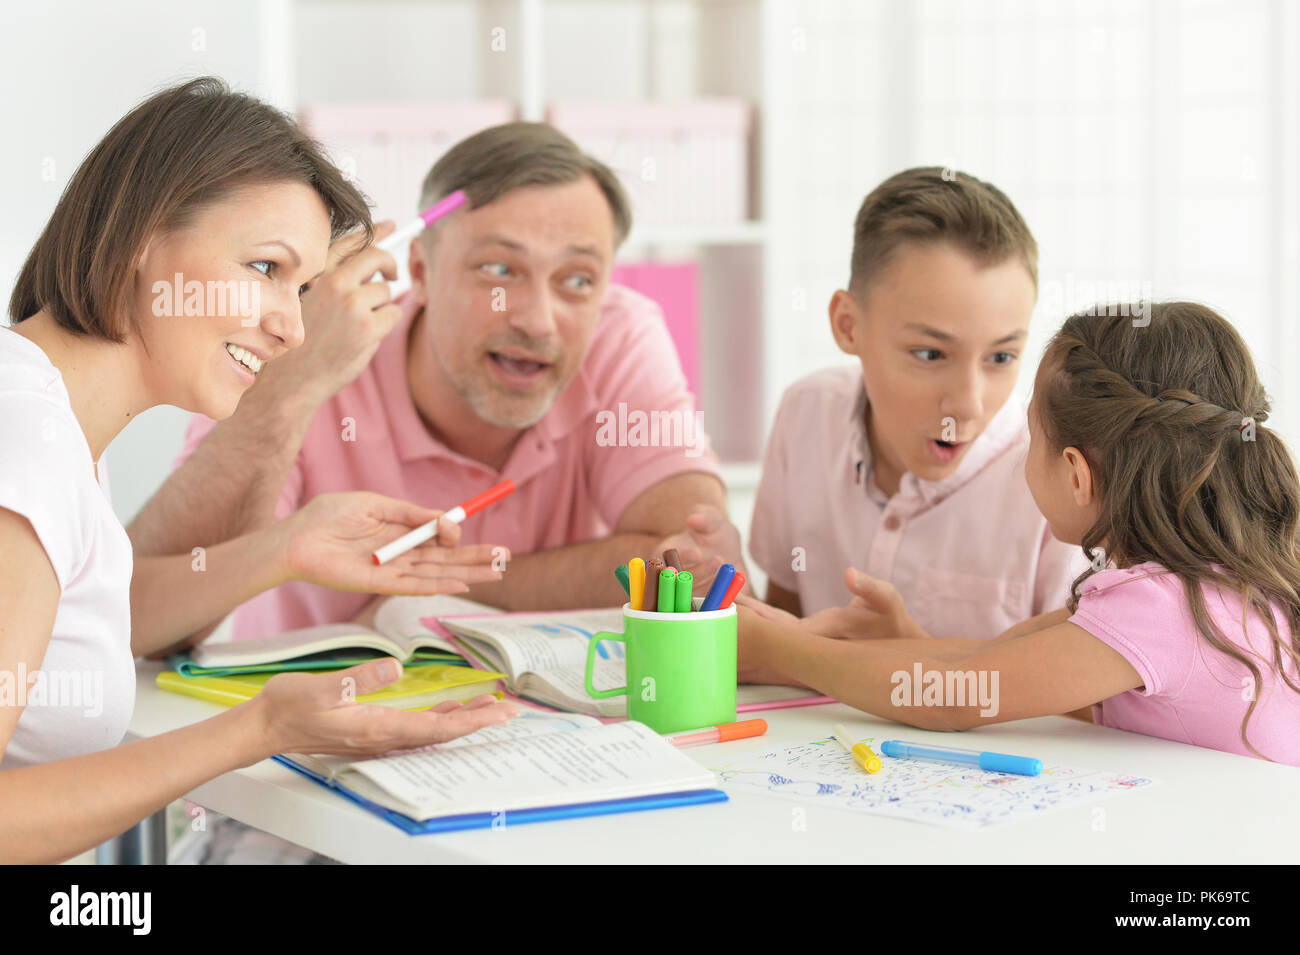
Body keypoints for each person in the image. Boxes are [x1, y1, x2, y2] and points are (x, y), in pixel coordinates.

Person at [0, 78, 517, 864]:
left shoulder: (52, 421)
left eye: (303, 288)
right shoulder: (25, 432)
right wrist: (259, 727)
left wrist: (289, 547)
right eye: (266, 268)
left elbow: (89, 618)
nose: (293, 325)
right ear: (143, 239)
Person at [131, 121, 747, 647]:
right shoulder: (312, 341)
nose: (537, 318)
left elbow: (681, 559)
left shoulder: (621, 334)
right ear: (420, 269)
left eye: (578, 280)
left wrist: (427, 591)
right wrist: (291, 385)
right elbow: (141, 616)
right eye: (498, 270)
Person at [738, 303, 1300, 765]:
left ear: (1078, 474)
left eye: (1032, 435)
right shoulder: (1208, 584)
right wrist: (809, 642)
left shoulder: (1159, 608)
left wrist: (781, 648)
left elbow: (955, 697)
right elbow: (990, 656)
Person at [748, 167, 1083, 638]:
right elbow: (787, 616)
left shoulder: (1062, 481)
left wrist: (905, 662)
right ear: (848, 326)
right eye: (930, 354)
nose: (967, 404)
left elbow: (1080, 702)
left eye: (1001, 356)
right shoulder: (806, 413)